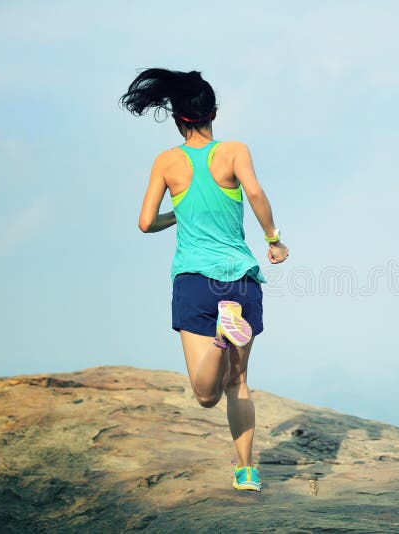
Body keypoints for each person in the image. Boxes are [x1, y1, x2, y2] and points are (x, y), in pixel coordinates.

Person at [120, 68, 289, 492]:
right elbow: (254, 193)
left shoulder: (166, 162)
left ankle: (219, 336)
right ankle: (246, 471)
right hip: (241, 280)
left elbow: (144, 223)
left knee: (205, 394)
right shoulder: (235, 151)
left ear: (178, 119)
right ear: (213, 112)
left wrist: (177, 213)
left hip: (194, 280)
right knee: (239, 382)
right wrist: (274, 240)